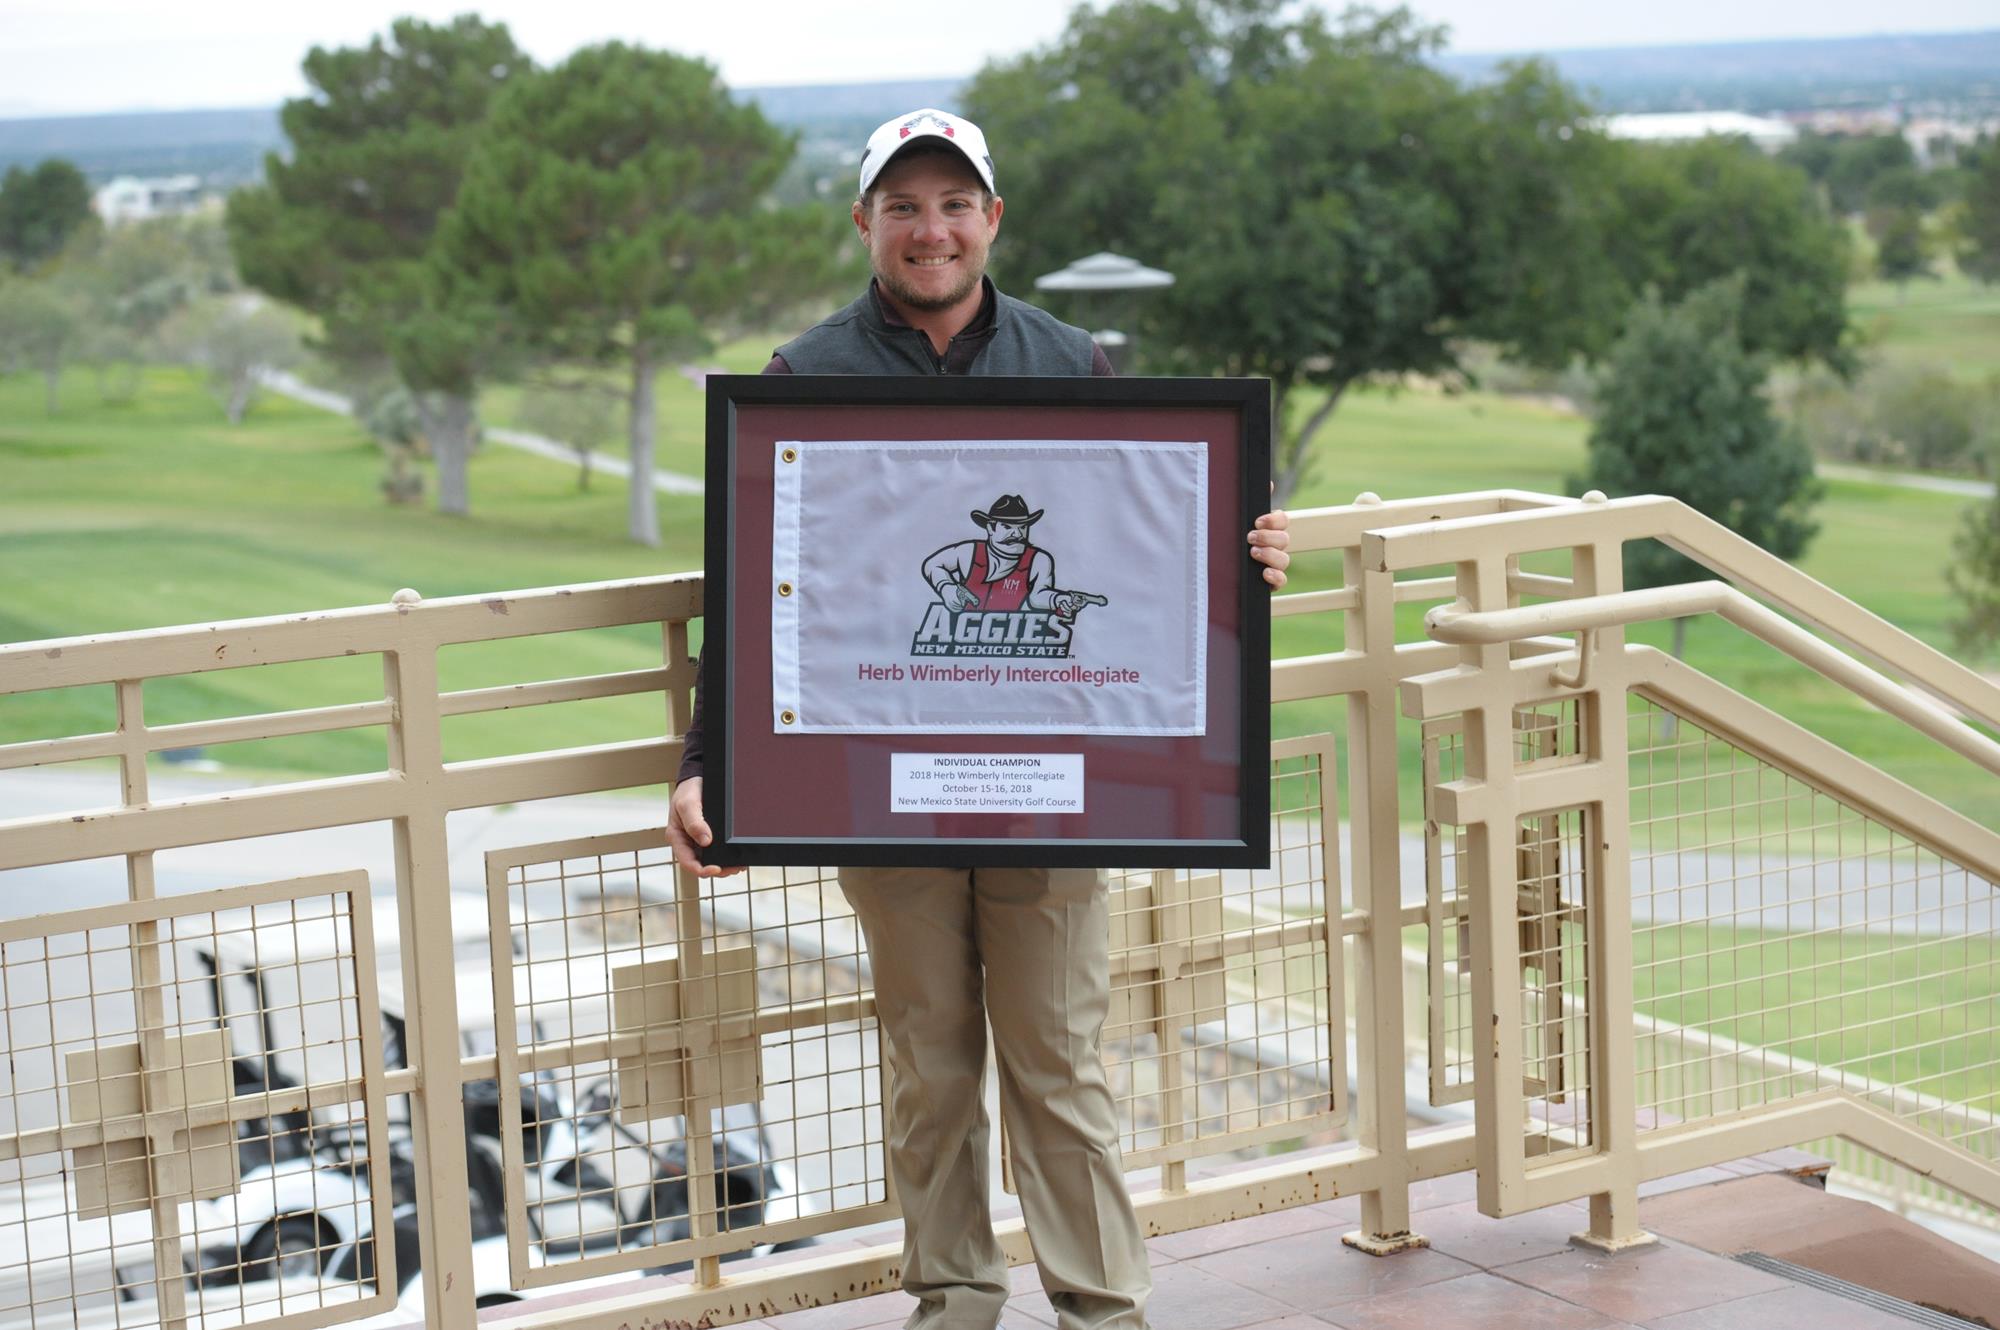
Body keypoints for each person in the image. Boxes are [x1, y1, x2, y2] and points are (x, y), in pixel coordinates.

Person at [667, 107, 1290, 1330]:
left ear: (991, 218)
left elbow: (1159, 533)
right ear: (864, 222)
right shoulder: (800, 379)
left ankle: (1101, 1304)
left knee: (1057, 1053)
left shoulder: (1070, 359)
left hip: (1052, 778)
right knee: (929, 1059)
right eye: (903, 206)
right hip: (874, 780)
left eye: (954, 204)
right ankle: (953, 1295)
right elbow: (753, 596)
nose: (930, 230)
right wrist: (706, 763)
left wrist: (1247, 539)